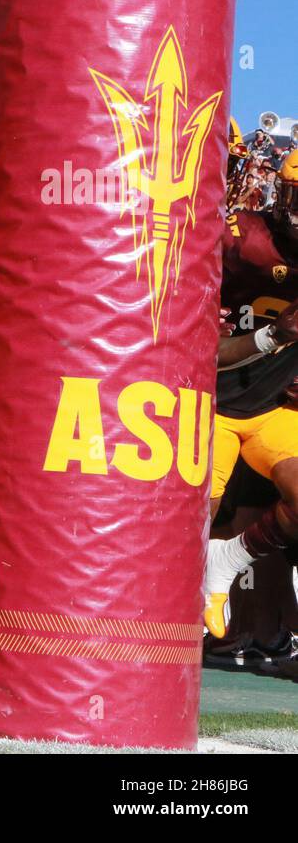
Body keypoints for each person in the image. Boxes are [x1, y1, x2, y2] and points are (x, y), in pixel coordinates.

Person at [203, 149, 298, 638]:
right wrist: (269, 336)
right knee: (188, 519)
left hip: (274, 410)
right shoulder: (241, 238)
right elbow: (196, 337)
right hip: (211, 403)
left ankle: (229, 559)